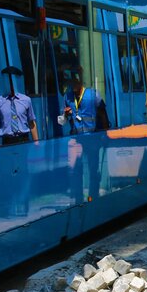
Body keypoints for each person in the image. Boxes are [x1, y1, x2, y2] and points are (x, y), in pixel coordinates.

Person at [60, 72, 107, 203]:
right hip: (76, 138)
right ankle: (78, 199)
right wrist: (65, 114)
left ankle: (94, 196)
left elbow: (103, 114)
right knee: (74, 168)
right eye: (70, 83)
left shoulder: (93, 95)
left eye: (75, 82)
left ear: (81, 82)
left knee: (93, 169)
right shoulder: (67, 97)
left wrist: (104, 133)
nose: (72, 85)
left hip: (92, 137)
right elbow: (61, 121)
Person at [0, 66, 38, 147]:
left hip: (24, 140)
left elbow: (31, 122)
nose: (10, 83)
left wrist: (36, 142)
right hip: (7, 141)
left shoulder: (26, 100)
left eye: (12, 79)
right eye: (7, 79)